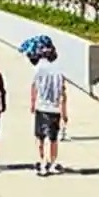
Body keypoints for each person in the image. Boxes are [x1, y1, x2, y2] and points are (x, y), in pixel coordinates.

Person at [29, 40, 67, 175]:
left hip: (41, 107)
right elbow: (63, 93)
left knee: (40, 137)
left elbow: (34, 87)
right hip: (54, 109)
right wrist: (64, 113)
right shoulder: (59, 71)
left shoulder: (38, 69)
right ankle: (53, 163)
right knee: (53, 138)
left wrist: (33, 103)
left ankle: (42, 161)